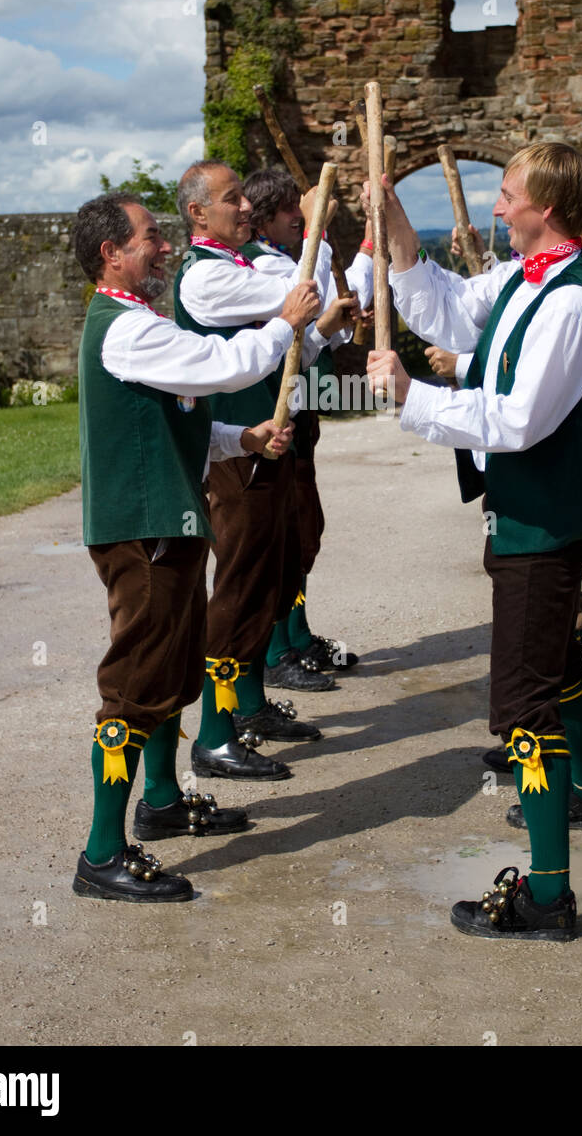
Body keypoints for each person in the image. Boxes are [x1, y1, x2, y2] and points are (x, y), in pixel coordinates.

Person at [366, 142, 582, 941]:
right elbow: (445, 306)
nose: (498, 208)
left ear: (548, 208)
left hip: (545, 523)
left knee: (523, 707)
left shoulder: (571, 303)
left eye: (509, 196)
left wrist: (413, 395)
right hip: (526, 515)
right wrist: (394, 222)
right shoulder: (523, 279)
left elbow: (517, 420)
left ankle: (548, 898)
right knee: (554, 666)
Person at [72, 192, 319, 902]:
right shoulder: (124, 328)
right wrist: (284, 323)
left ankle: (161, 801)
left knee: (170, 673)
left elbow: (180, 421)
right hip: (142, 531)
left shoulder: (139, 324)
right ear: (111, 253)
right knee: (133, 689)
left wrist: (242, 439)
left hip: (166, 529)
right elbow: (219, 365)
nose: (166, 246)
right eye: (151, 236)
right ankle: (101, 853)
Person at [174, 160, 356, 783]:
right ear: (199, 213)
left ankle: (248, 706)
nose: (246, 207)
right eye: (233, 199)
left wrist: (319, 328)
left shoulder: (238, 265)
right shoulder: (207, 277)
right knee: (240, 587)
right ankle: (214, 735)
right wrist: (315, 229)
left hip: (266, 446)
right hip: (237, 454)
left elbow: (293, 328)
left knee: (269, 579)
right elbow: (300, 294)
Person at [242, 167, 374, 681]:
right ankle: (276, 652)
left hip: (299, 413)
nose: (297, 218)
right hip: (275, 420)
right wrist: (320, 227)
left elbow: (315, 330)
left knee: (302, 530)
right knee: (286, 536)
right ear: (264, 219)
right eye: (289, 211)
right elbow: (306, 288)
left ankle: (295, 635)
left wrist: (341, 316)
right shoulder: (260, 266)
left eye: (300, 209)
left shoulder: (281, 259)